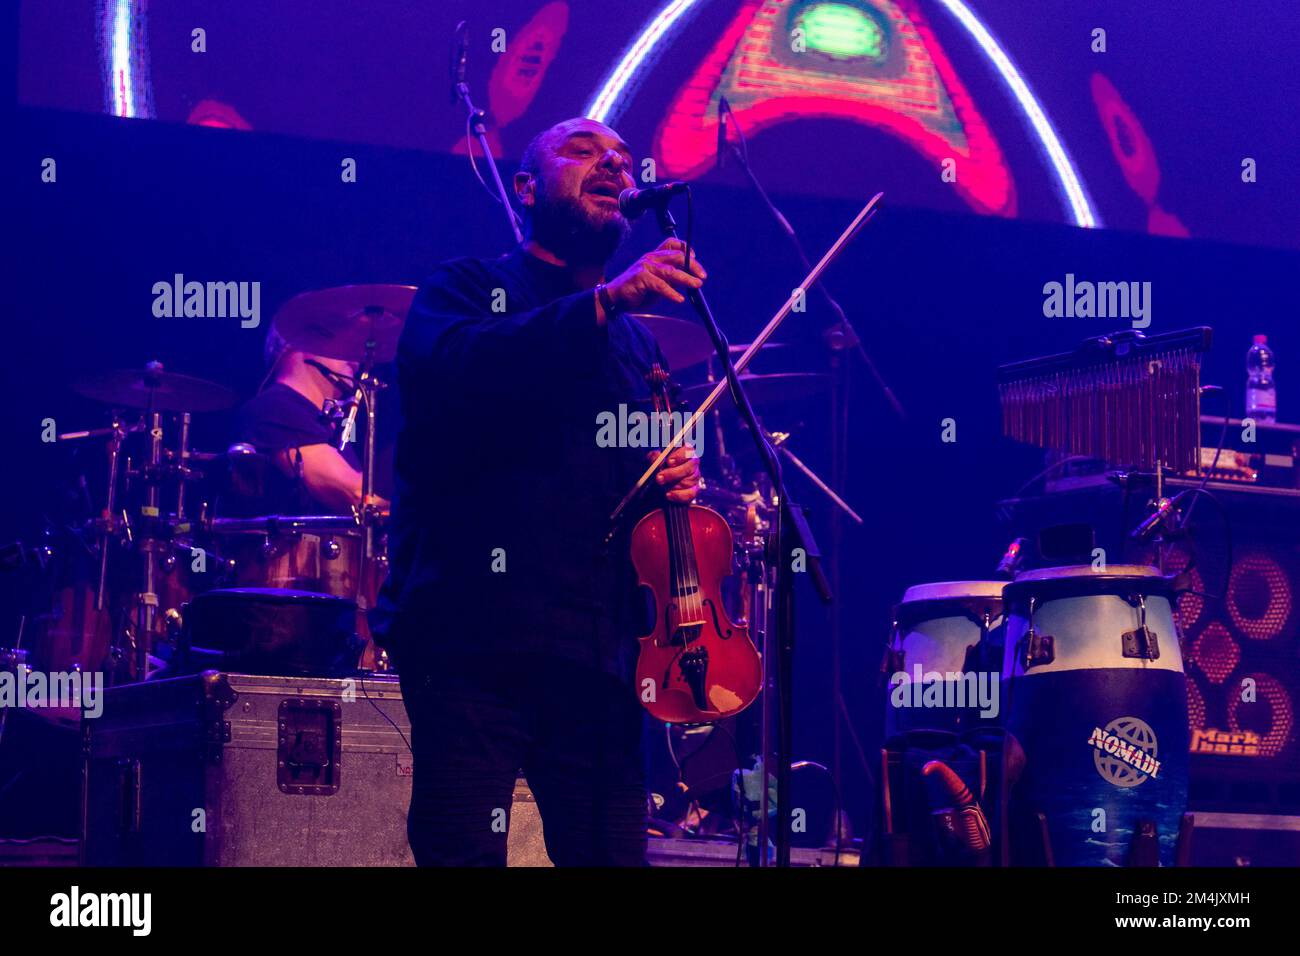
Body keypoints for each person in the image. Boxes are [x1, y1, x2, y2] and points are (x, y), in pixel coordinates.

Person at [374, 117, 707, 866]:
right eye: (583, 152)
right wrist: (604, 302)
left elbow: (624, 474)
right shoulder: (468, 287)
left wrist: (669, 481)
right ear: (525, 188)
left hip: (597, 653)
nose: (613, 166)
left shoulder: (639, 345)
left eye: (622, 159)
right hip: (472, 639)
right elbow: (462, 369)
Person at [229, 324, 371, 515]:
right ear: (301, 340)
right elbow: (355, 495)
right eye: (343, 340)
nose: (356, 355)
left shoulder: (331, 424)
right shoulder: (275, 409)